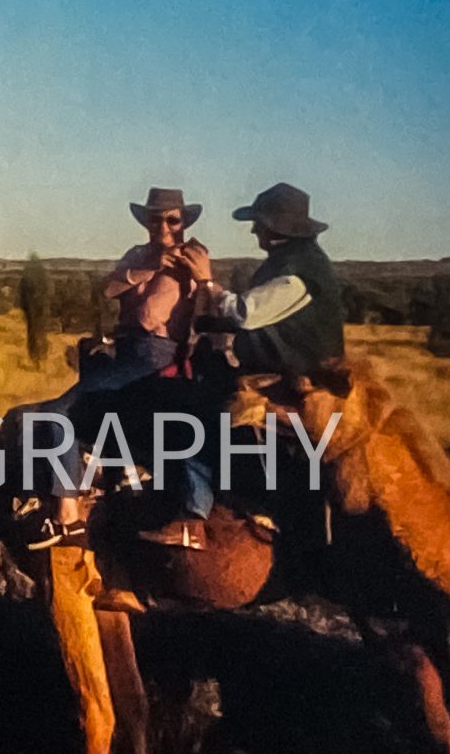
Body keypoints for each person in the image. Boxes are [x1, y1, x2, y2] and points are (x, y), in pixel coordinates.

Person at [158, 182, 346, 549]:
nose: (254, 229)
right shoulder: (290, 262)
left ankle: (194, 515)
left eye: (259, 222)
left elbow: (247, 312)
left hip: (297, 379)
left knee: (199, 414)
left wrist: (205, 281)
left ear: (276, 227)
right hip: (285, 371)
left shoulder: (298, 271)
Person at [20, 187, 202, 551]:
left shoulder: (191, 258)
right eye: (156, 218)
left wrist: (140, 284)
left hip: (155, 355)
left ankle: (67, 516)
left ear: (183, 222)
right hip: (127, 351)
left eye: (172, 219)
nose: (163, 226)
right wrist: (147, 269)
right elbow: (108, 289)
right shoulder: (139, 255)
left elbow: (151, 316)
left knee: (57, 413)